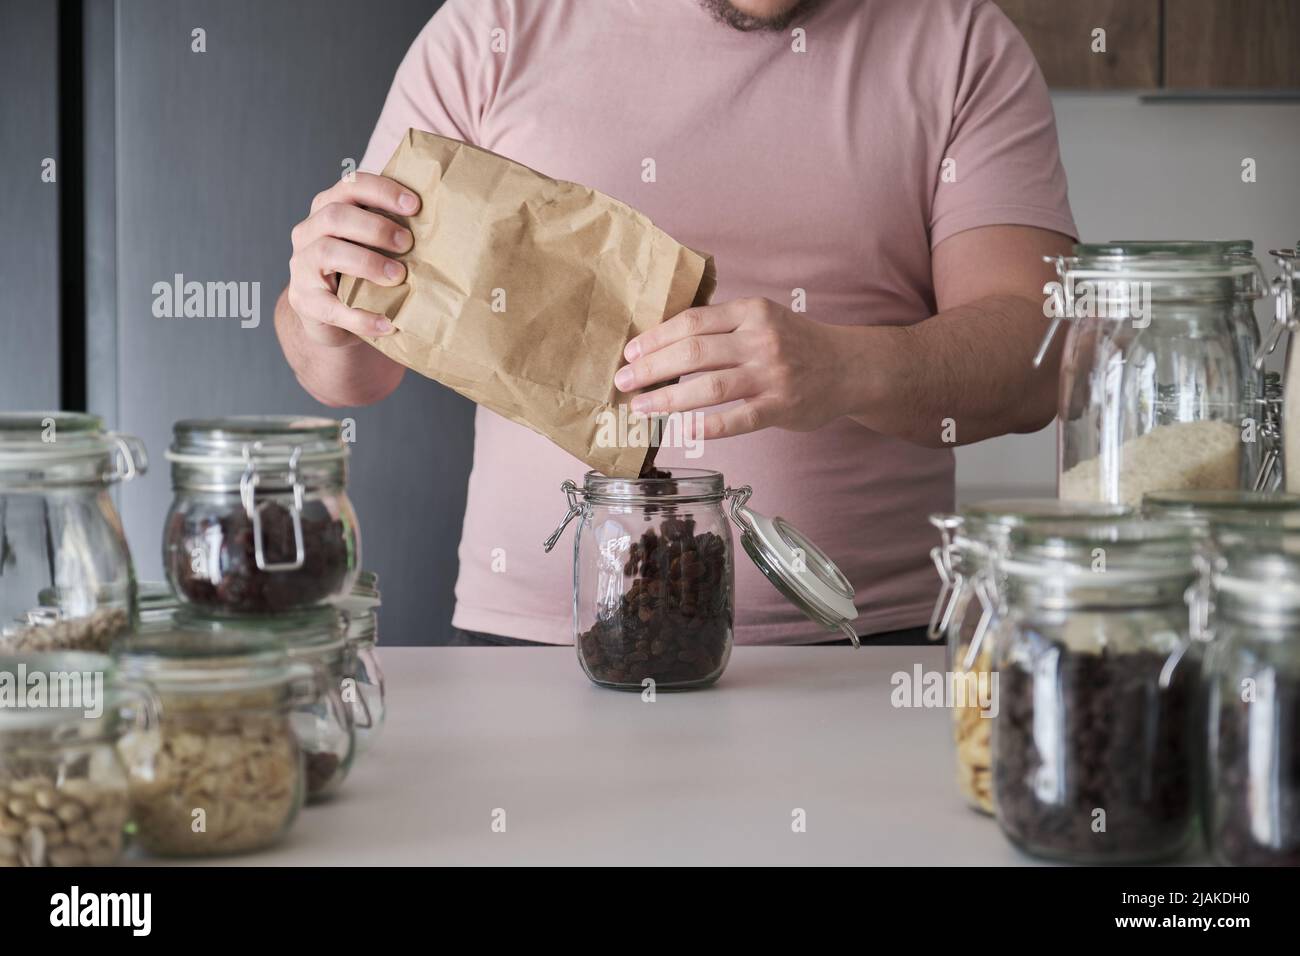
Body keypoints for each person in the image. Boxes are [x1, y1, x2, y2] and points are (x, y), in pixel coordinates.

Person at [275, 0, 1076, 646]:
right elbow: (355, 372)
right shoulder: (493, 28)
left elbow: (1039, 359)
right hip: (536, 650)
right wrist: (320, 309)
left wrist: (843, 369)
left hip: (866, 651)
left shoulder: (962, 39)